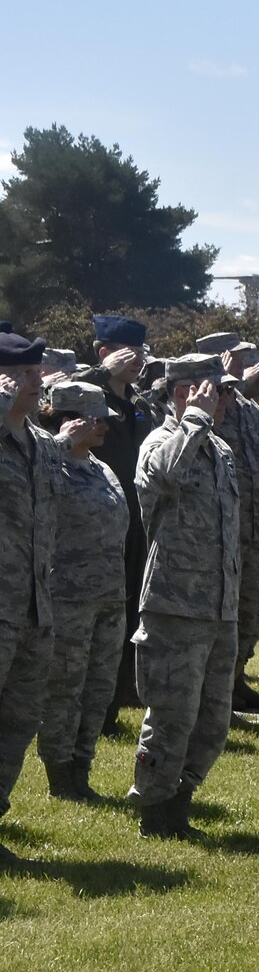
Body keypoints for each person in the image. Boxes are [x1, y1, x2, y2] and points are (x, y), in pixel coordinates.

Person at [131, 354, 242, 838]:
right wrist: (193, 420)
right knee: (173, 714)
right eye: (217, 390)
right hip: (174, 604)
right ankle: (155, 812)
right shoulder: (160, 443)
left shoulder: (219, 449)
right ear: (185, 393)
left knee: (213, 720)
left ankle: (181, 796)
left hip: (219, 604)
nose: (226, 400)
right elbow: (164, 477)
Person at [37, 382, 129, 803]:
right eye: (96, 417)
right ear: (70, 418)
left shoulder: (101, 467)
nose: (106, 424)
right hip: (68, 598)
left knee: (98, 690)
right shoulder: (49, 464)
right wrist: (61, 443)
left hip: (109, 597)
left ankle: (81, 769)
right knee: (65, 690)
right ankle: (60, 776)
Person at [73, 314, 154, 730]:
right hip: (96, 521)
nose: (137, 359)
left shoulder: (139, 405)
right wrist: (100, 374)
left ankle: (117, 697)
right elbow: (56, 403)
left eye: (141, 351)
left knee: (126, 615)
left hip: (136, 522)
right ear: (104, 351)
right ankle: (94, 710)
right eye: (128, 351)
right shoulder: (87, 395)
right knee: (96, 616)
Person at [0, 333, 59, 859]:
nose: (39, 381)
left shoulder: (40, 444)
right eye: (27, 372)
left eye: (38, 371)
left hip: (34, 608)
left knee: (18, 720)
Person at [199, 334, 259, 711]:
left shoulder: (247, 408)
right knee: (222, 614)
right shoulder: (203, 405)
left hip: (253, 529)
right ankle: (217, 688)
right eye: (236, 357)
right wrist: (220, 382)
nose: (245, 364)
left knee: (249, 610)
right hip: (221, 534)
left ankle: (236, 677)